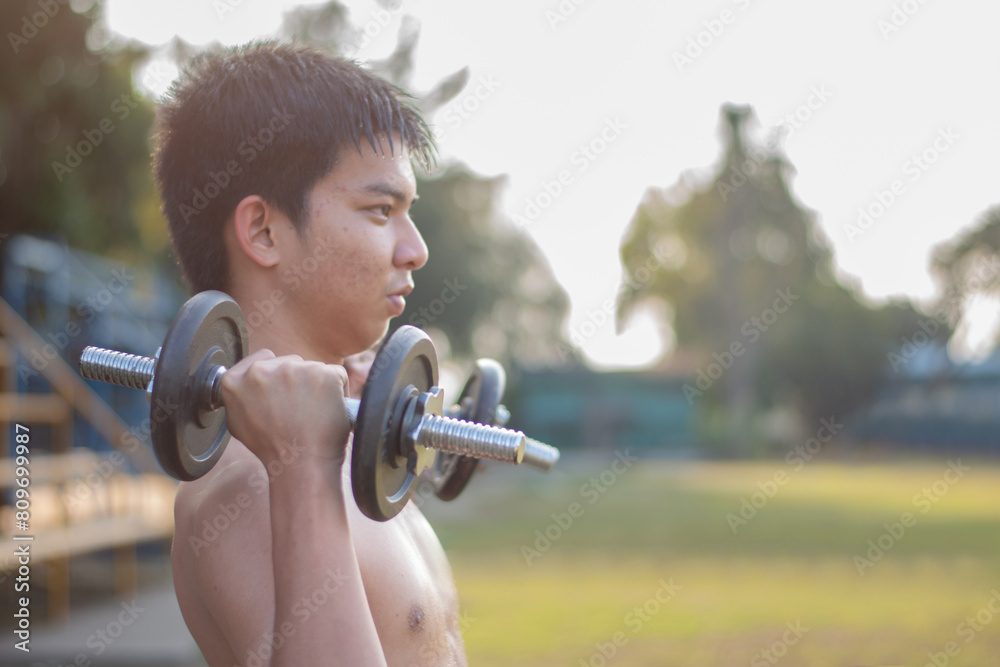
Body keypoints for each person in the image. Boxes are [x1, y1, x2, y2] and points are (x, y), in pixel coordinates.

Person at [154, 42, 466, 666]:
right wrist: (298, 465)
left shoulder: (338, 447)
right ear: (264, 231)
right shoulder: (245, 491)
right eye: (381, 210)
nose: (416, 249)